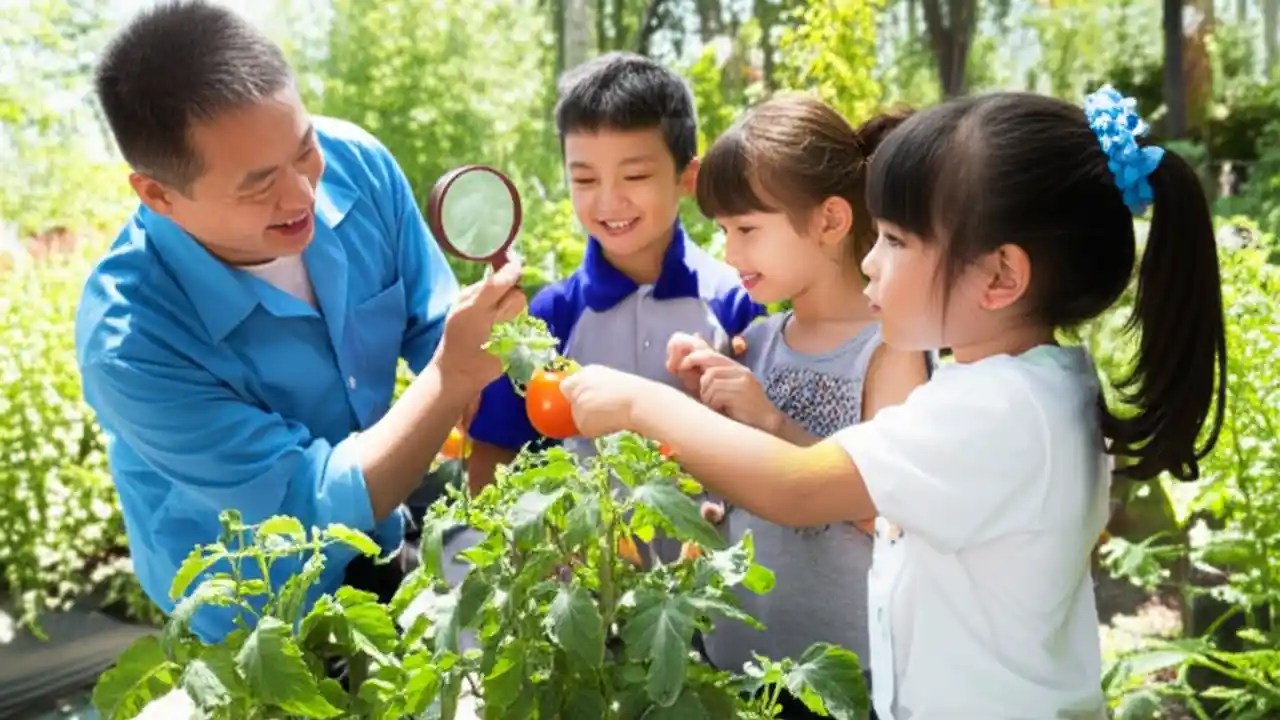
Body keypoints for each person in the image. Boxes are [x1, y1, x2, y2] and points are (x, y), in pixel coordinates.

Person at [558, 86, 1227, 718]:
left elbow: (797, 488)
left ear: (999, 277)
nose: (871, 262)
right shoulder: (1024, 384)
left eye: (897, 241)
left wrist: (637, 402)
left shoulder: (996, 413)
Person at [75, 0, 524, 642]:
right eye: (259, 185)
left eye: (304, 147)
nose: (304, 194)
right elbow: (312, 505)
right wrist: (453, 376)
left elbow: (436, 328)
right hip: (256, 626)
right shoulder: (130, 343)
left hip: (385, 545)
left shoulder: (356, 166)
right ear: (157, 194)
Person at [667, 95, 928, 719]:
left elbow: (890, 517)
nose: (729, 253)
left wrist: (770, 422)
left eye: (747, 229)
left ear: (831, 221)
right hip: (732, 668)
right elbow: (730, 499)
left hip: (845, 683)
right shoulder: (753, 344)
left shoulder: (889, 350)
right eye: (724, 231)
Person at [464, 51, 763, 561]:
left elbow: (763, 453)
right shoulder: (550, 317)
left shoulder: (735, 301)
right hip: (583, 597)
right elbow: (495, 451)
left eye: (635, 176)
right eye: (585, 180)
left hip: (709, 595)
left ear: (686, 178)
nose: (608, 202)